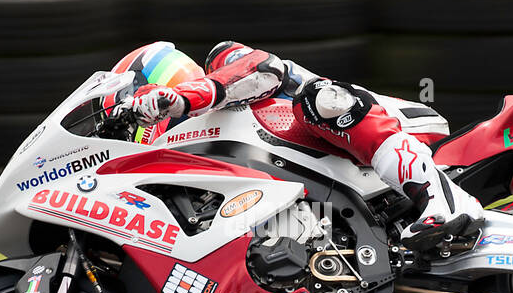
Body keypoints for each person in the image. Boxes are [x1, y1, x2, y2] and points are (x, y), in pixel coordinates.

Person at [109, 41, 484, 249]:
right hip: (332, 187)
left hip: (379, 129)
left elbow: (264, 69)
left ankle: (444, 201)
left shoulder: (225, 66)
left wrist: (182, 98)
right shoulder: (196, 158)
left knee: (316, 99)